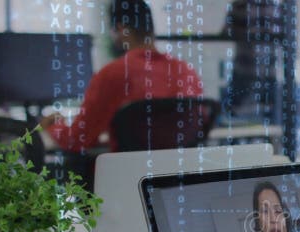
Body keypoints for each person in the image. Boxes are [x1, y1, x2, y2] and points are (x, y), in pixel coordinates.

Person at [39, 0, 203, 153]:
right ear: (151, 29)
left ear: (120, 28)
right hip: (175, 176)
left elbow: (76, 140)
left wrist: (52, 126)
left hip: (125, 175)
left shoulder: (113, 74)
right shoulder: (187, 72)